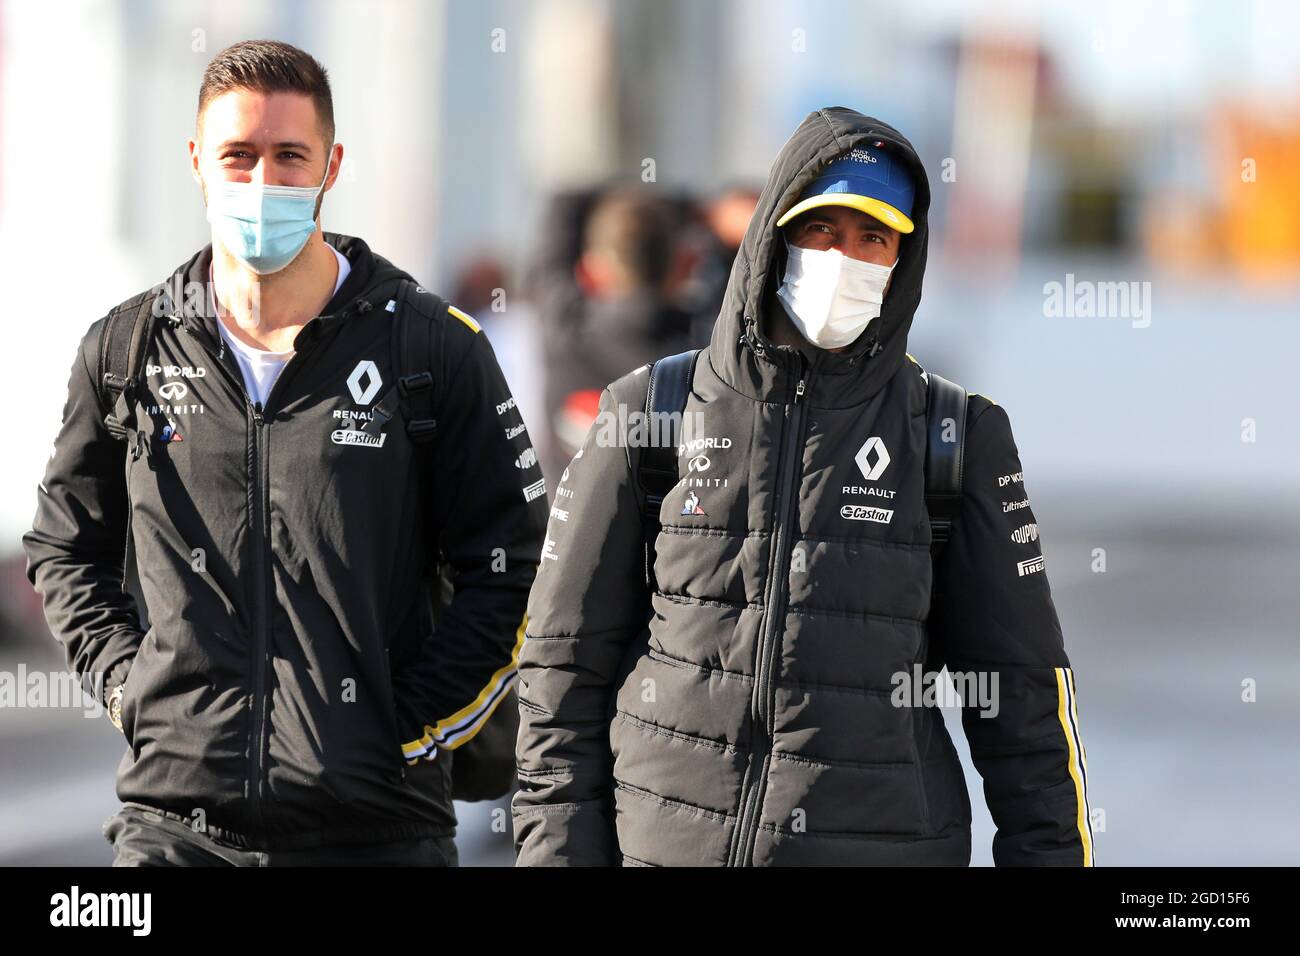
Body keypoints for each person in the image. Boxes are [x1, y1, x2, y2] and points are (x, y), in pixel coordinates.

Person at [513, 107, 1093, 867]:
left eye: (872, 239)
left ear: (902, 261)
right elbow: (562, 669)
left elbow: (1025, 705)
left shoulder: (955, 435)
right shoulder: (649, 410)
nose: (843, 257)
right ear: (774, 235)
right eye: (822, 230)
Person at [22, 39, 547, 866]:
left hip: (378, 828)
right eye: (238, 155)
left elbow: (514, 563)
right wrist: (132, 691)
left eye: (288, 156)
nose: (261, 182)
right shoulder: (125, 349)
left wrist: (412, 726)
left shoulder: (432, 351)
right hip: (174, 828)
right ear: (197, 161)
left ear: (330, 165)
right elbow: (65, 547)